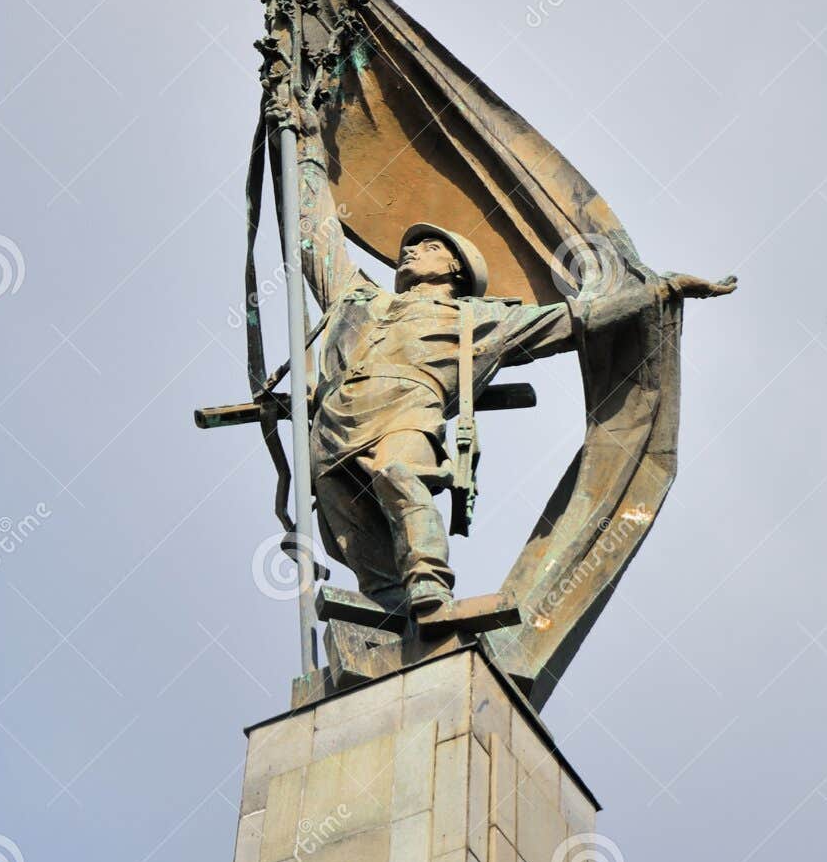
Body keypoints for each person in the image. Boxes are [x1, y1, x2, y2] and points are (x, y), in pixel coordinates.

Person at [292, 108, 735, 624]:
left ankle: (430, 581)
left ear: (455, 268)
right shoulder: (357, 299)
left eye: (427, 247)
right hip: (333, 423)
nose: (410, 251)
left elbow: (576, 319)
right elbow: (318, 237)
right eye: (408, 247)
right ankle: (391, 615)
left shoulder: (480, 320)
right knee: (355, 532)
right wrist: (305, 156)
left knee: (399, 476)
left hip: (408, 408)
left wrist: (660, 289)